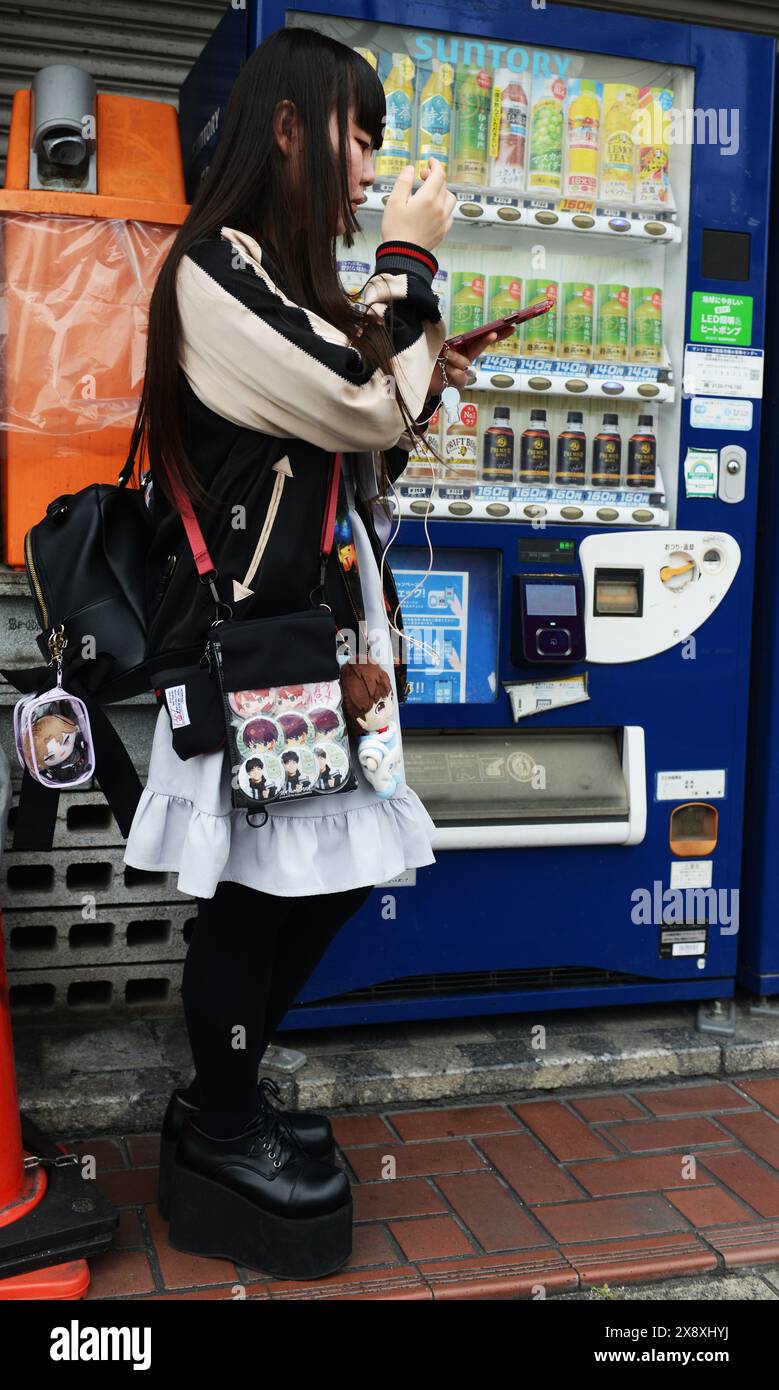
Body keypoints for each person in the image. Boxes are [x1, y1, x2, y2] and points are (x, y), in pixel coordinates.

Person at [122, 25, 496, 1281]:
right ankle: (222, 1121)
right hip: (248, 653)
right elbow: (349, 398)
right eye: (358, 135)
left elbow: (359, 439)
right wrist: (407, 263)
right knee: (262, 885)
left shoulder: (284, 284)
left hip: (316, 645)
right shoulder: (208, 273)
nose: (370, 167)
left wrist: (420, 384)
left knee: (320, 877)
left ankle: (223, 1094)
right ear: (285, 127)